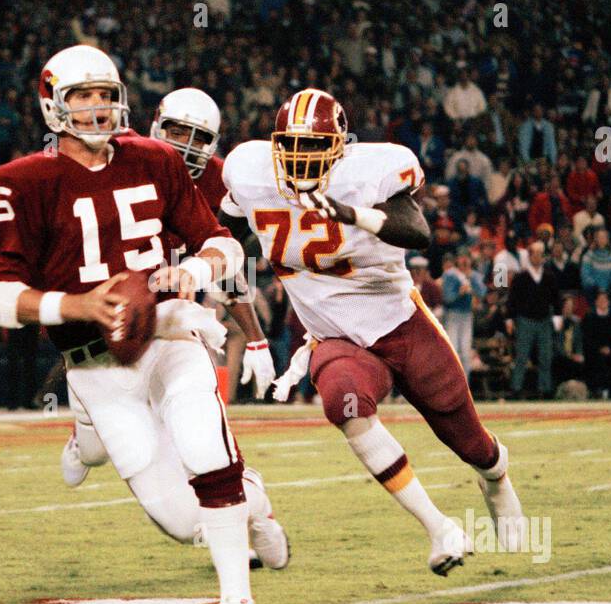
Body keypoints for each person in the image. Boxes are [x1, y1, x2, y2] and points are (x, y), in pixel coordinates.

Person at [0, 45, 287, 604]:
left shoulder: (154, 160)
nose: (97, 108)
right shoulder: (19, 181)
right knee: (179, 521)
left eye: (105, 94)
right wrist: (78, 307)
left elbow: (222, 246)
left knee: (205, 451)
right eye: (82, 96)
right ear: (53, 104)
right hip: (96, 365)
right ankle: (254, 509)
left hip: (170, 335)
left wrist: (194, 275)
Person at [222, 87, 526, 579]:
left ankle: (495, 477)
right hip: (332, 337)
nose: (299, 162)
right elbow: (221, 246)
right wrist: (253, 334)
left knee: (470, 443)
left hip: (399, 324)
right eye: (290, 147)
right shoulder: (250, 172)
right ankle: (439, 528)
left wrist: (349, 213)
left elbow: (417, 231)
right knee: (343, 401)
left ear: (340, 148)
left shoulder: (370, 171)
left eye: (313, 149)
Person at [60, 87, 278, 483]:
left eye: (198, 138)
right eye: (178, 132)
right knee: (94, 451)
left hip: (172, 296)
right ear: (156, 126)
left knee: (189, 401)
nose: (187, 146)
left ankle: (230, 487)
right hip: (113, 296)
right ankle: (84, 433)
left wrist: (257, 339)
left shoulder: (219, 182)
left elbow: (225, 262)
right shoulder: (119, 155)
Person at [506, 240, 560, 398]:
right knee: (521, 356)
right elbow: (512, 300)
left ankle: (545, 388)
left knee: (545, 356)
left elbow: (555, 298)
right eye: (534, 254)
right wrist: (509, 319)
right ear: (529, 256)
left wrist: (557, 317)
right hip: (525, 320)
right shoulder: (521, 277)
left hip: (544, 320)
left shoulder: (549, 276)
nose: (537, 257)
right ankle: (516, 388)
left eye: (540, 254)